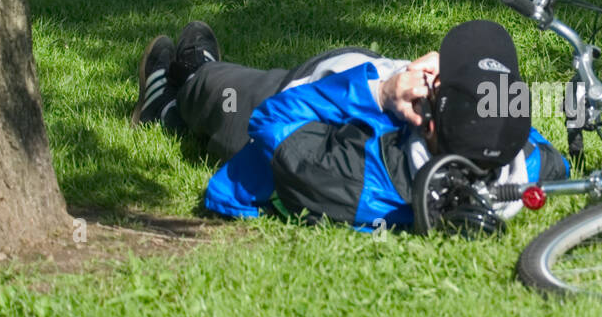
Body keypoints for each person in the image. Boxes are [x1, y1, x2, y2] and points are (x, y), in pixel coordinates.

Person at [131, 21, 566, 230]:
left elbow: (274, 121)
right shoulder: (526, 165)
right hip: (356, 68)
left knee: (208, 87)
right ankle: (172, 104)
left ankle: (173, 95)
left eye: (441, 83)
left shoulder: (354, 172)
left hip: (296, 93)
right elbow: (524, 140)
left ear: (429, 123)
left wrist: (379, 93)